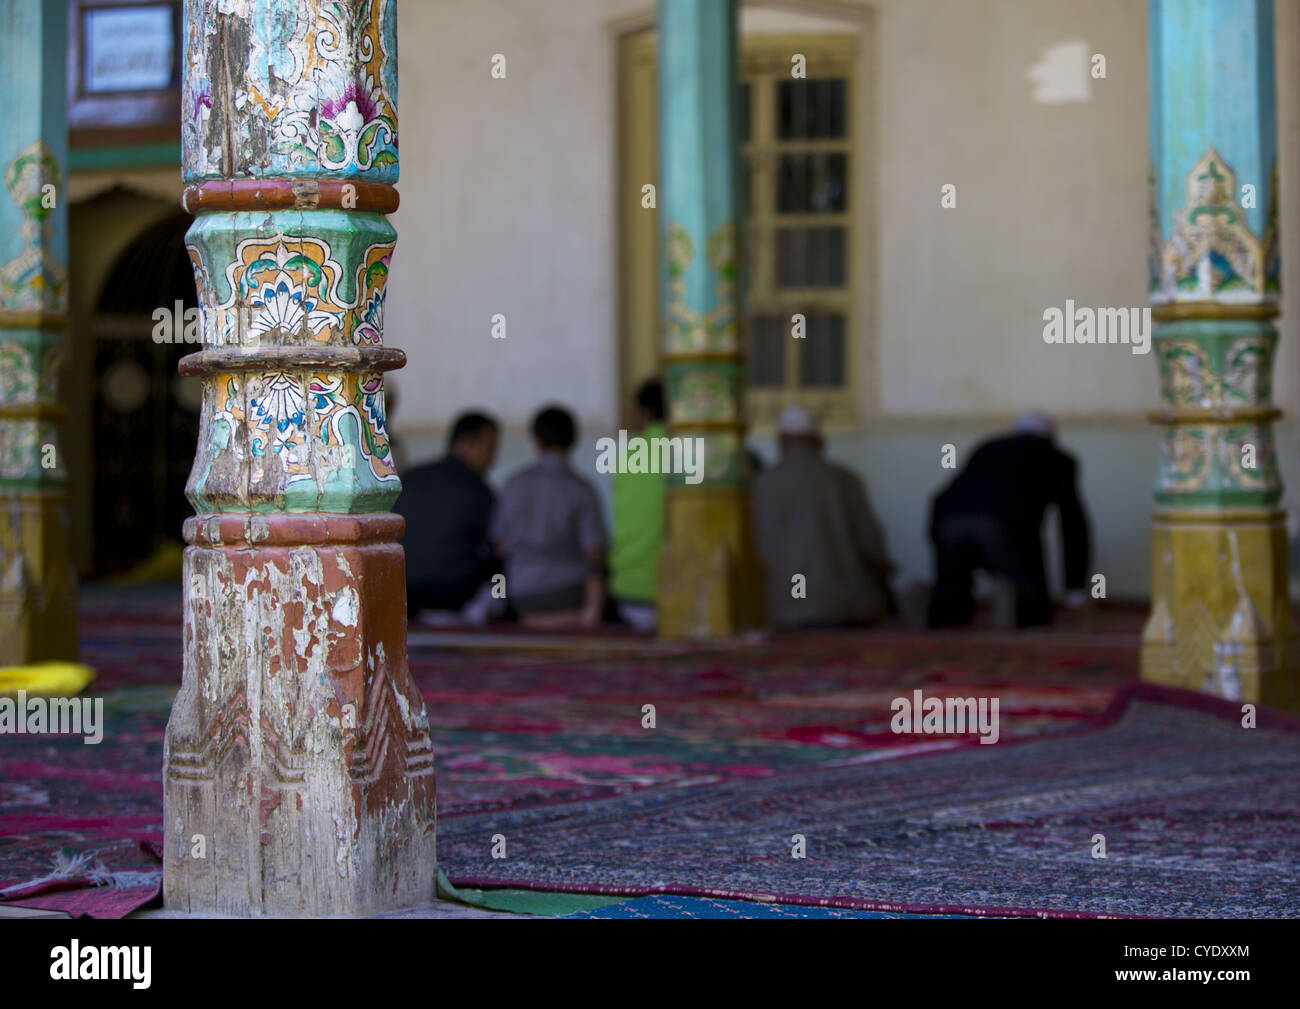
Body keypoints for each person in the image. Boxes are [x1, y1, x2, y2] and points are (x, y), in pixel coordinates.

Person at [926, 411, 1090, 629]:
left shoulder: (986, 447)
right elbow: (1072, 525)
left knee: (952, 595)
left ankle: (937, 604)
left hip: (947, 519)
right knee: (1034, 609)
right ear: (1050, 436)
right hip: (1001, 526)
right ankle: (1015, 598)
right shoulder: (1057, 457)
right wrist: (1074, 590)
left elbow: (947, 495)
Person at [755, 406, 894, 628]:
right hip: (843, 610)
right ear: (820, 441)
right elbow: (872, 547)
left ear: (781, 441)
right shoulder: (845, 480)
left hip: (780, 611)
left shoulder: (762, 485)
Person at [493, 405, 608, 628]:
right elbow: (595, 553)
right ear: (574, 441)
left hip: (520, 593)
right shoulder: (582, 489)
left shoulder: (512, 485)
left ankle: (526, 620)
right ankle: (578, 618)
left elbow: (500, 546)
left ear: (536, 440)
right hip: (567, 593)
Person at [394, 411, 500, 619]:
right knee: (500, 578)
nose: (492, 459)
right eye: (490, 449)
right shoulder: (478, 489)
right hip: (456, 597)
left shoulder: (411, 478)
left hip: (406, 594)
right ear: (465, 444)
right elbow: (496, 547)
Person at [609, 379, 667, 630]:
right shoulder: (687, 455)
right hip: (674, 591)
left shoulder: (627, 457)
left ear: (644, 413)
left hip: (626, 590)